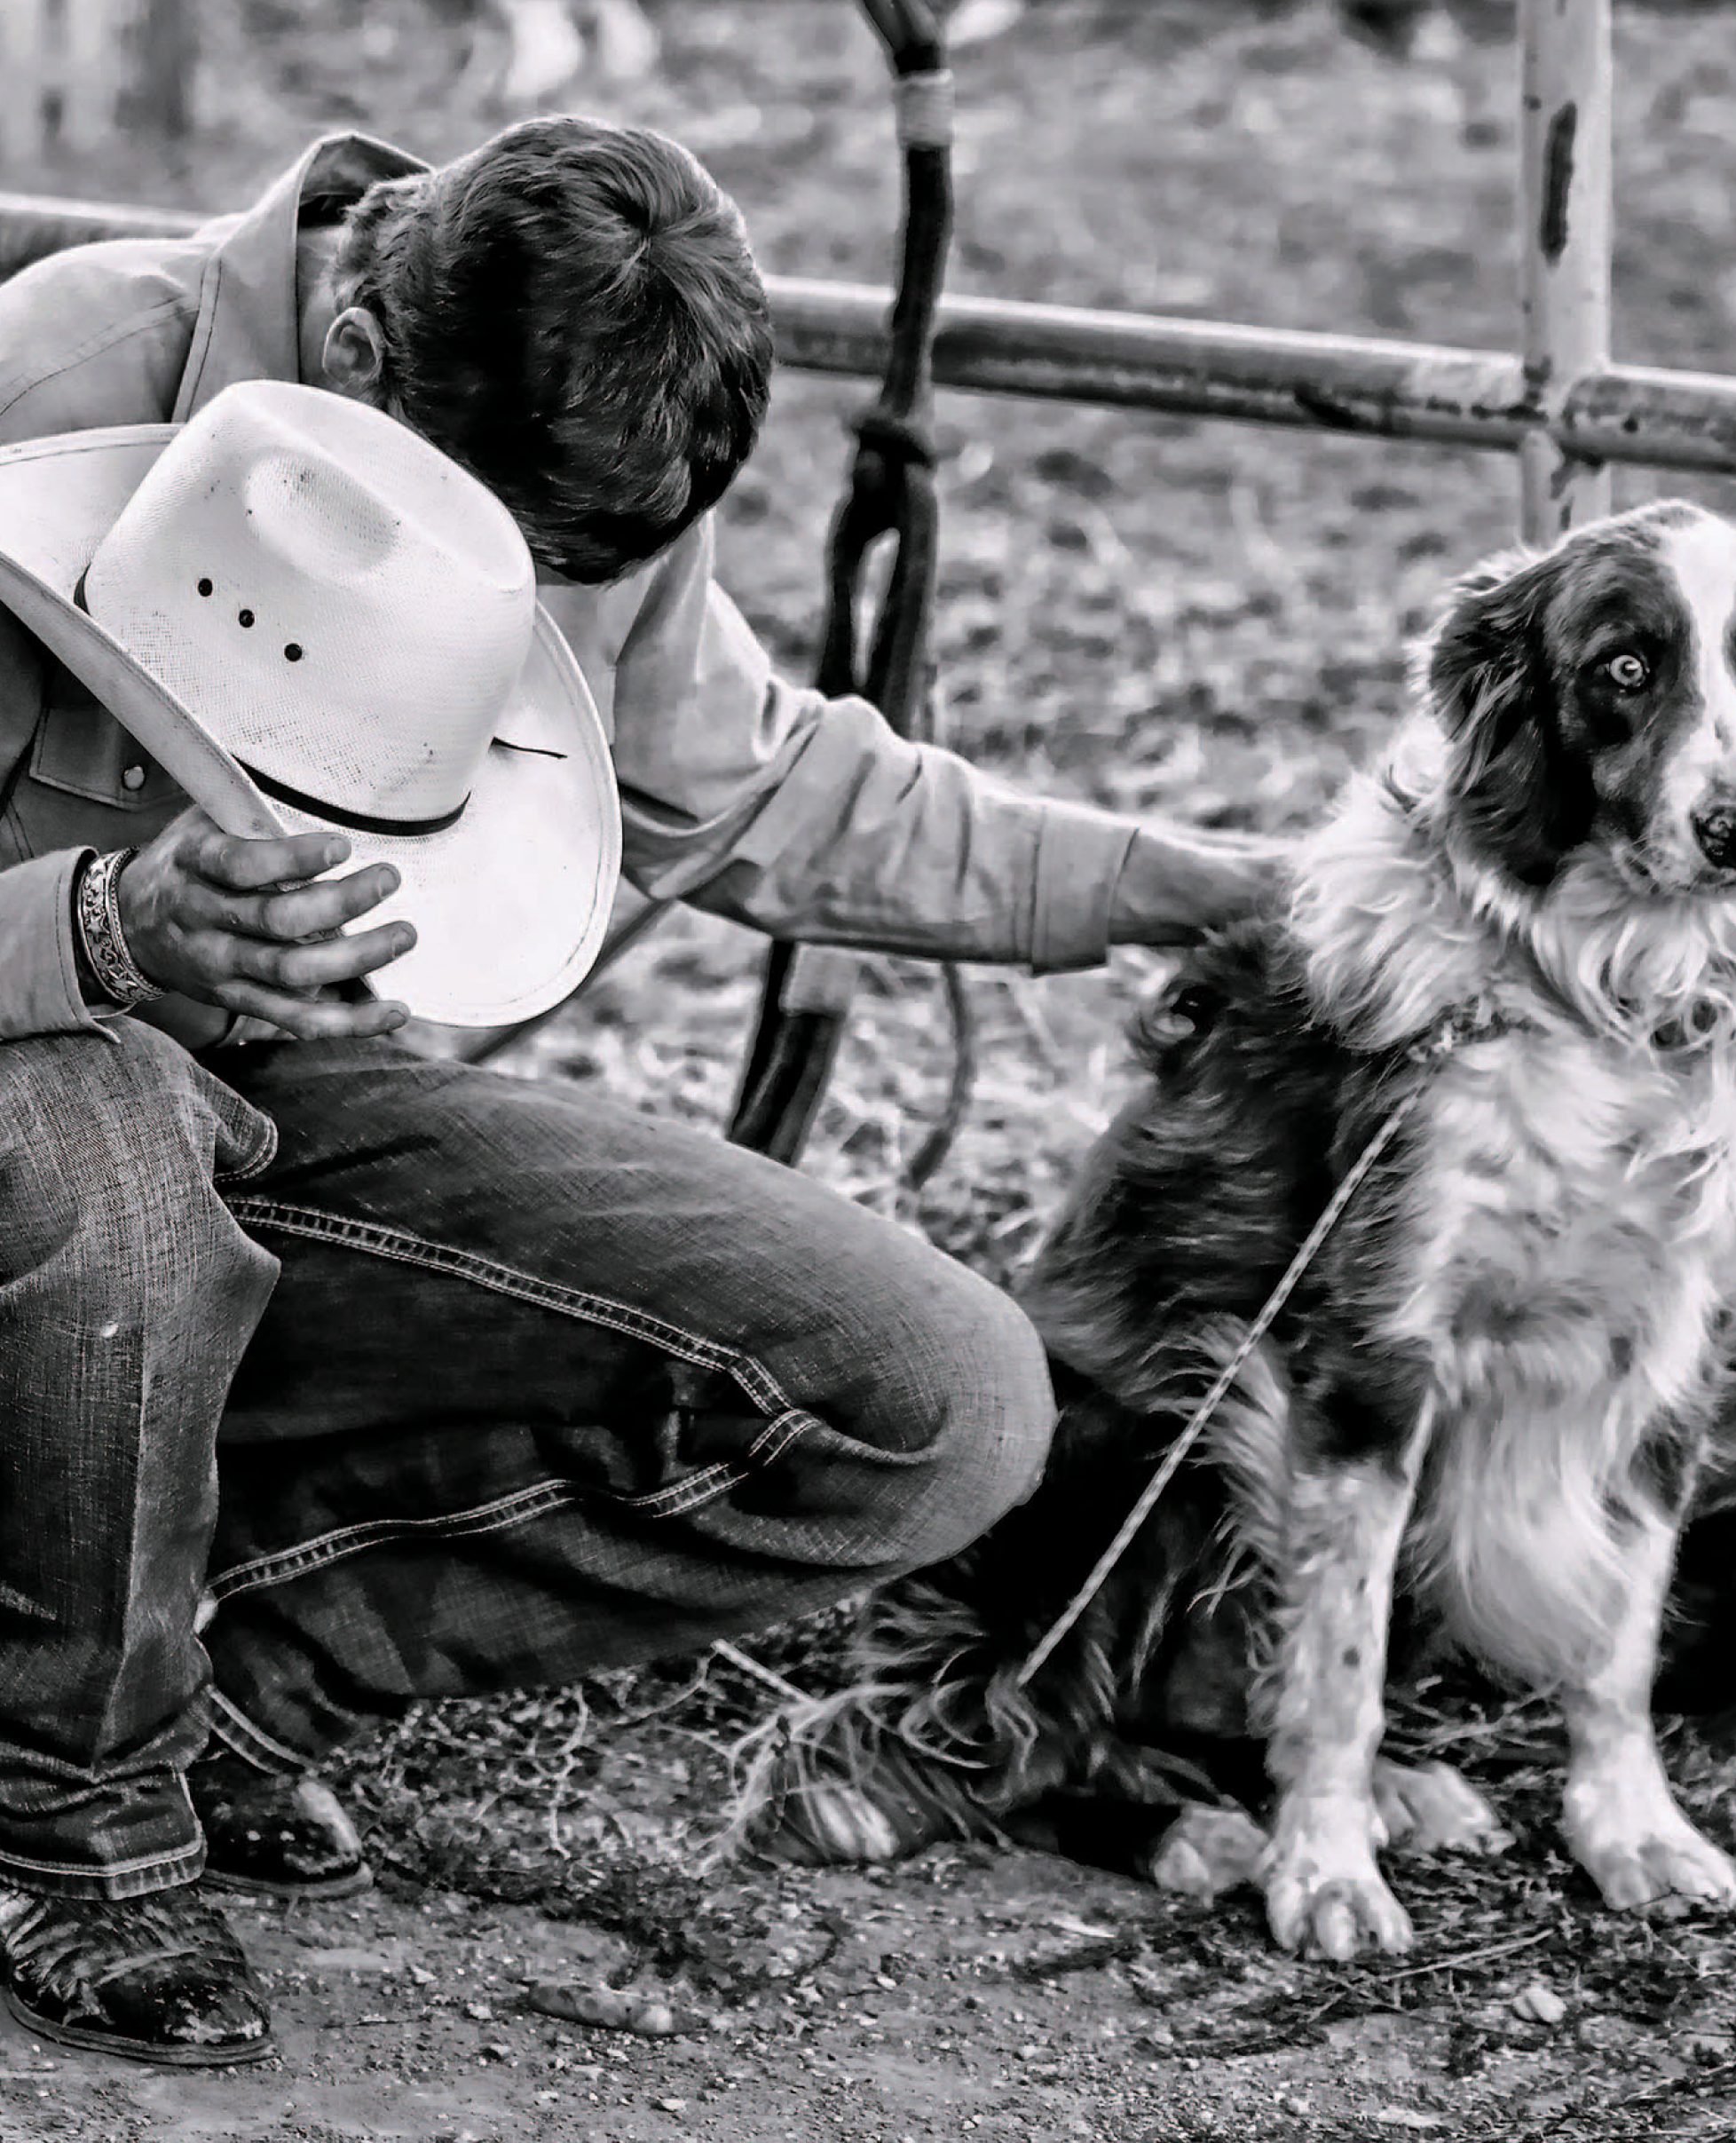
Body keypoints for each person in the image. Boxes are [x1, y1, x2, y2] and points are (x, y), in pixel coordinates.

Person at [0, 116, 1279, 2065]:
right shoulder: (55, 391)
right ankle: (62, 1814)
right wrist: (95, 930)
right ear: (355, 361)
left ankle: (227, 1678)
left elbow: (771, 789)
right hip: (44, 1119)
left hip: (264, 1099)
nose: (531, 612)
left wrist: (1184, 888)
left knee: (936, 1396)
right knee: (104, 1149)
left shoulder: (565, 453)